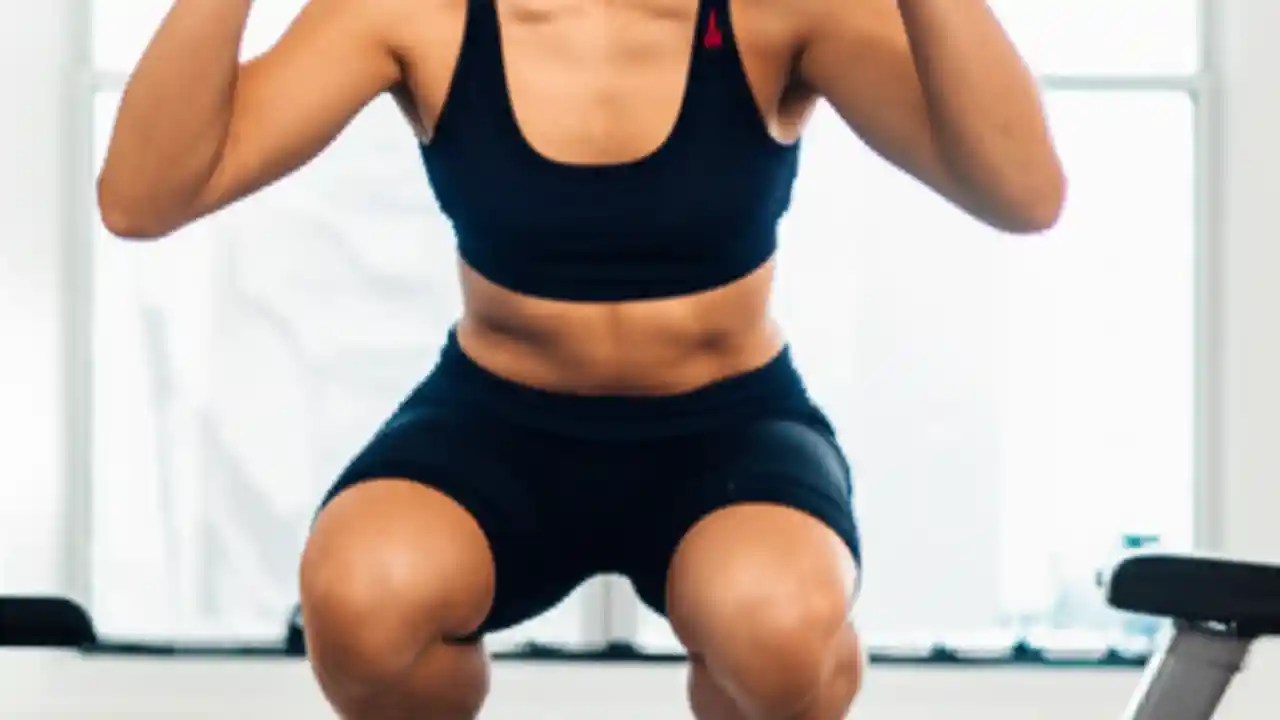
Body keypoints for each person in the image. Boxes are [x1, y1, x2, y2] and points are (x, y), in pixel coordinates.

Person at [96, 0, 1064, 715]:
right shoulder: (414, 10)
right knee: (359, 600)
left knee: (771, 629)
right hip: (496, 424)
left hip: (724, 428)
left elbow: (1021, 196)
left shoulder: (780, 9)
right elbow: (143, 201)